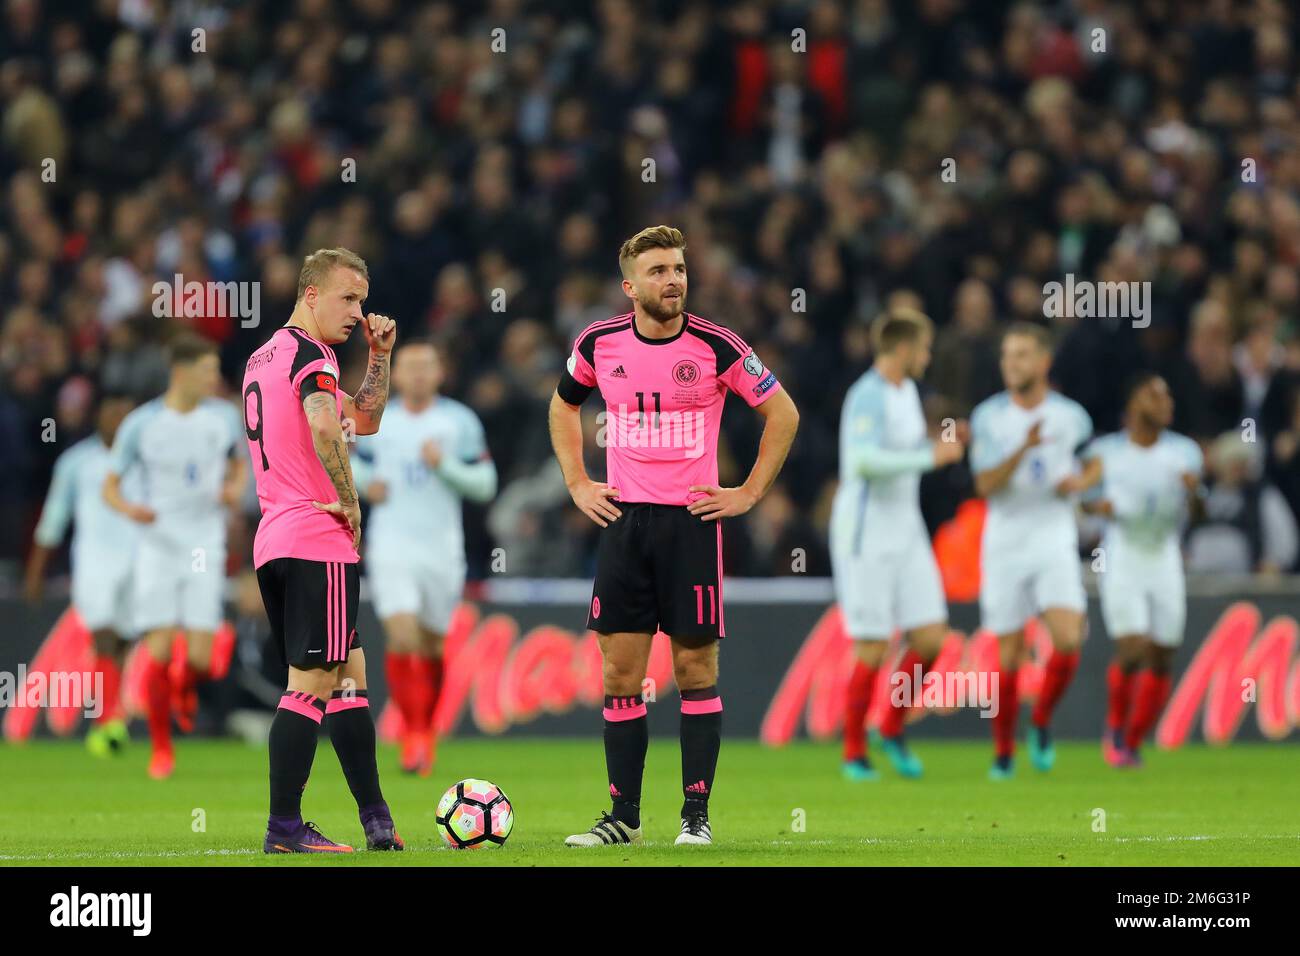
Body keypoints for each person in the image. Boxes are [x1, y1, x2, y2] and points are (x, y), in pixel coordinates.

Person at [550, 225, 800, 846]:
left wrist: (747, 493)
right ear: (629, 285)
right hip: (624, 522)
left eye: (680, 269)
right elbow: (562, 406)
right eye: (659, 270)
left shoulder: (717, 346)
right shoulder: (598, 343)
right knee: (620, 674)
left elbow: (783, 413)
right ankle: (624, 819)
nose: (674, 280)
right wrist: (579, 483)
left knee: (693, 667)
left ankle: (695, 818)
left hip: (692, 524)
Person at [242, 247, 401, 853]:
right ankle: (284, 828)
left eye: (362, 299)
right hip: (317, 538)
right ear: (311, 293)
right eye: (348, 298)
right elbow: (324, 422)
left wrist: (378, 358)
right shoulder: (313, 356)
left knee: (348, 679)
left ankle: (376, 820)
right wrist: (349, 498)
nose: (358, 312)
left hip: (277, 537)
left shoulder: (264, 356)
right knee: (311, 683)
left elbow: (364, 419)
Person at [831, 307, 965, 782]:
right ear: (905, 348)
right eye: (925, 347)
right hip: (867, 533)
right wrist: (931, 455)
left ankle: (889, 727)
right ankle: (853, 751)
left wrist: (939, 444)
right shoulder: (866, 395)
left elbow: (900, 452)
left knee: (931, 638)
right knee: (871, 644)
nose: (928, 356)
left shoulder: (907, 392)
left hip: (906, 529)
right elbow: (863, 461)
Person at [103, 335, 246, 779]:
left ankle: (186, 689)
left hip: (204, 542)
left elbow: (242, 464)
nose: (214, 378)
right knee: (160, 650)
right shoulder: (141, 424)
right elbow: (109, 485)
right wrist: (131, 509)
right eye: (207, 370)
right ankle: (161, 750)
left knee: (201, 660)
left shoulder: (223, 418)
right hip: (158, 545)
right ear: (181, 373)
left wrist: (233, 490)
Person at [355, 339, 497, 776]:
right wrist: (364, 484)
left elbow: (486, 484)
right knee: (401, 636)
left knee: (433, 645)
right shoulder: (378, 419)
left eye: (426, 367)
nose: (417, 374)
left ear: (440, 373)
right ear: (396, 375)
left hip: (441, 547)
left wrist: (446, 467)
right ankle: (412, 734)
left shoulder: (459, 421)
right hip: (392, 543)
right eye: (410, 367)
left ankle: (427, 729)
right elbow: (345, 458)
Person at [969, 323, 1099, 780]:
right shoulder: (989, 418)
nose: (1012, 364)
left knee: (1067, 639)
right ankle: (1004, 752)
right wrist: (1022, 449)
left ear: (1044, 362)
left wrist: (1082, 482)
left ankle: (1041, 720)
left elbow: (1095, 458)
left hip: (1052, 533)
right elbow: (984, 484)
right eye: (1007, 356)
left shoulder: (1072, 417)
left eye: (1022, 355)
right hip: (1004, 538)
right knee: (1008, 655)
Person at [1082, 373, 1204, 767]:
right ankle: (1116, 725)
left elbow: (1201, 512)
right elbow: (1084, 498)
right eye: (1156, 395)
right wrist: (1097, 507)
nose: (1167, 403)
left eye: (1168, 395)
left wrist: (1193, 493)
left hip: (1165, 554)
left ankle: (1133, 740)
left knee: (1164, 653)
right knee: (1132, 649)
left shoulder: (1185, 452)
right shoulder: (1106, 451)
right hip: (1123, 554)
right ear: (1135, 403)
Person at [26, 393, 140, 757]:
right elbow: (54, 518)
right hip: (93, 563)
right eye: (113, 413)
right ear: (98, 418)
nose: (119, 421)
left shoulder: (147, 461)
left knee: (121, 640)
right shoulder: (77, 462)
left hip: (138, 563)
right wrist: (36, 572)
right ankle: (108, 720)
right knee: (103, 635)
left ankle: (110, 717)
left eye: (126, 414)